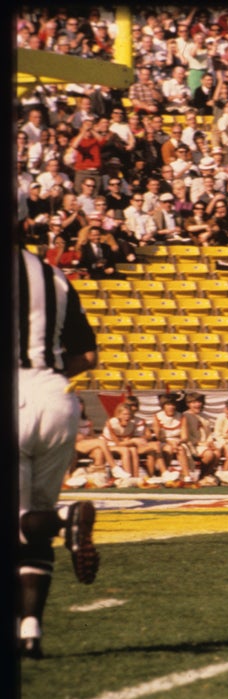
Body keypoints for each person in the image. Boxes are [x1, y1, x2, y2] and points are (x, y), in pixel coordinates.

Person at [18, 247, 100, 658]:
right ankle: (30, 629)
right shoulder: (54, 277)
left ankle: (67, 518)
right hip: (56, 397)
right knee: (33, 519)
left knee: (21, 521)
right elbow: (88, 355)